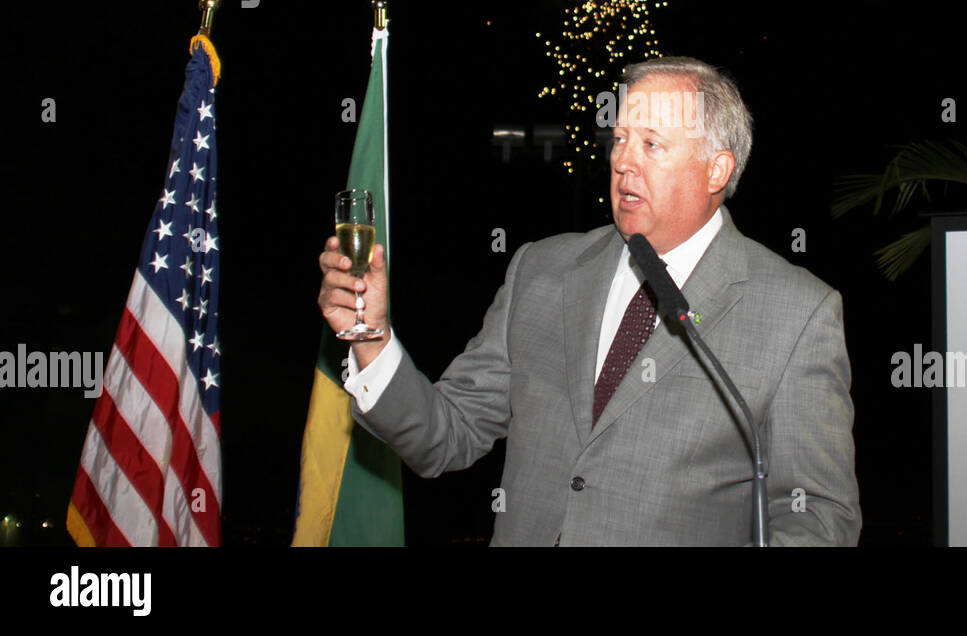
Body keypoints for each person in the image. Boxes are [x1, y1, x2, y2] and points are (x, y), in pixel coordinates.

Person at [317, 56, 860, 545]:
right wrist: (372, 336)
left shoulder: (796, 313)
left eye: (651, 144)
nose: (623, 161)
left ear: (714, 170)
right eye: (620, 138)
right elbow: (447, 436)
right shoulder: (541, 270)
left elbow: (819, 517)